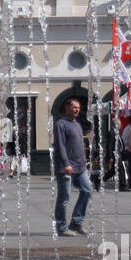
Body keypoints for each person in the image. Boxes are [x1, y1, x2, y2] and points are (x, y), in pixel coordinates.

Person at [53, 97, 91, 235]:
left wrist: (84, 164)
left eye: (79, 108)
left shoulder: (77, 124)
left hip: (80, 167)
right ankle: (61, 227)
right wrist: (66, 164)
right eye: (74, 107)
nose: (77, 110)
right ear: (67, 107)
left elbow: (80, 146)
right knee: (64, 197)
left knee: (87, 191)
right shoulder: (60, 124)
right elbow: (60, 146)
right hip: (66, 167)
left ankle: (76, 222)